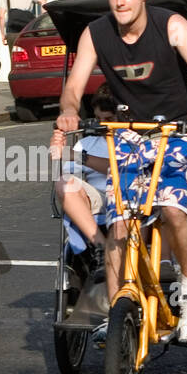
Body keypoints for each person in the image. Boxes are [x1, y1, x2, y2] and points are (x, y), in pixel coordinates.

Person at [56, 0, 187, 344]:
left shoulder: (172, 26)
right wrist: (67, 111)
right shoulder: (96, 34)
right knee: (120, 220)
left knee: (172, 208)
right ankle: (116, 313)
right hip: (129, 132)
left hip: (177, 129)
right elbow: (75, 86)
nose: (120, 2)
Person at [50, 87, 118, 277]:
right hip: (99, 199)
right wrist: (58, 153)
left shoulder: (136, 140)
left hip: (130, 194)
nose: (103, 126)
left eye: (110, 120)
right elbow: (61, 179)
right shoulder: (88, 144)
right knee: (66, 183)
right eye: (99, 120)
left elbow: (119, 167)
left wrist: (79, 157)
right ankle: (101, 248)